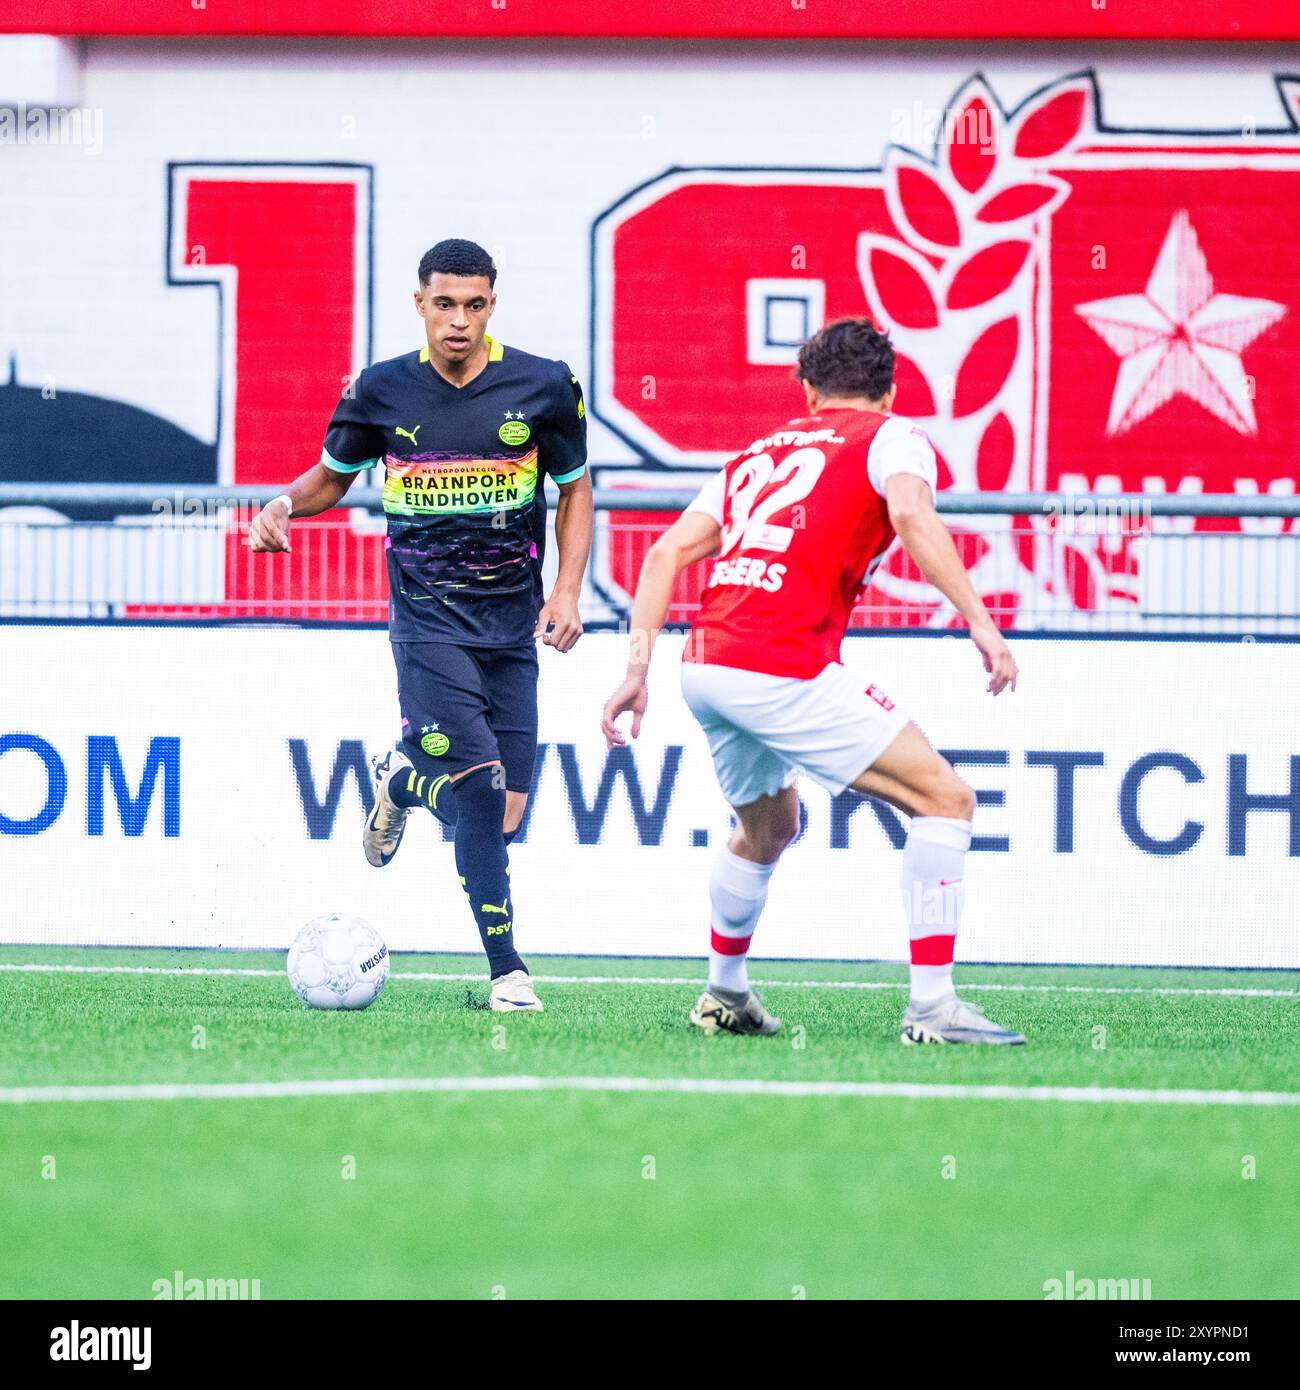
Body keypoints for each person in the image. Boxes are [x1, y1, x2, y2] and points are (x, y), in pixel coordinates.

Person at [601, 317, 1024, 1044]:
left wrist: (636, 671)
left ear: (806, 391)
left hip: (705, 666)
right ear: (888, 392)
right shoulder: (893, 436)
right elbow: (911, 512)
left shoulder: (754, 454)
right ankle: (933, 1008)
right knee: (945, 799)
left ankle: (725, 993)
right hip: (778, 661)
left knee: (768, 829)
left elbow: (664, 553)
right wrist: (980, 620)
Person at [251, 238, 592, 1012]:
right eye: (445, 304)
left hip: (511, 628)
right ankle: (508, 972)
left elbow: (576, 492)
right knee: (478, 791)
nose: (459, 321)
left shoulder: (544, 386)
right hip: (427, 622)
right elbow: (331, 478)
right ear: (420, 304)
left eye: (474, 305)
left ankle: (403, 780)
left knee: (503, 813)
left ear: (492, 305)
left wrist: (567, 592)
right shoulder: (381, 391)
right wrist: (280, 503)